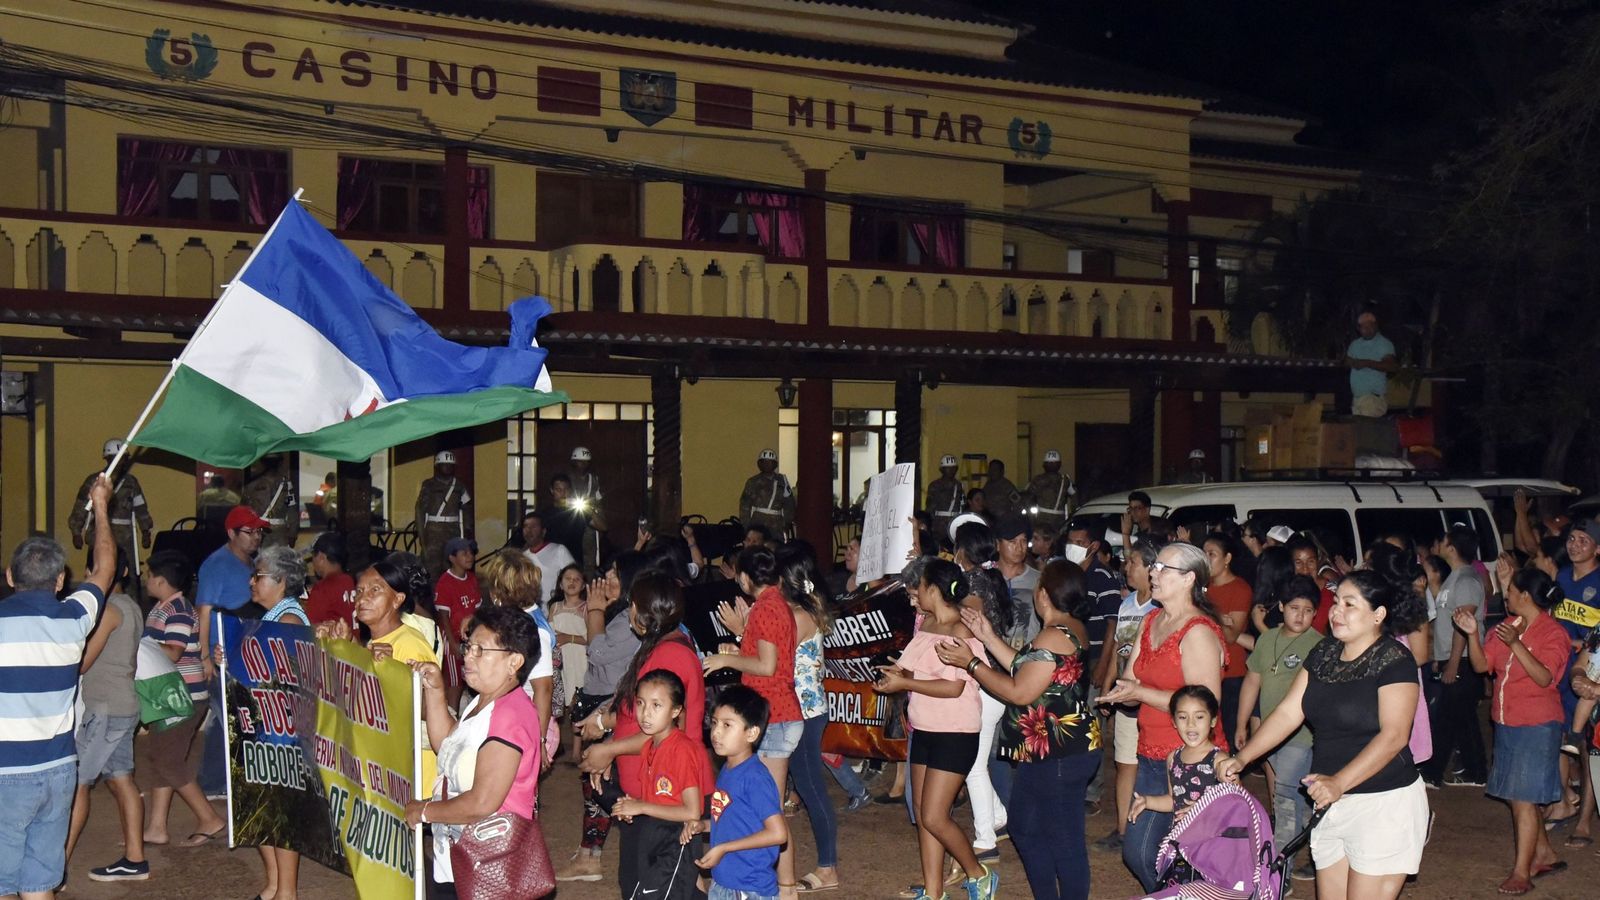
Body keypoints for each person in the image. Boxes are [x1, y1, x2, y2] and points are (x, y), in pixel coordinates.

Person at [1218, 571, 1429, 900]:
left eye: (1350, 604)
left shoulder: (1395, 661)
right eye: (1336, 602)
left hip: (1383, 803)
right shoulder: (1323, 653)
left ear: (1379, 614)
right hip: (1330, 798)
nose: (1336, 611)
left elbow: (1395, 736)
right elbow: (1289, 712)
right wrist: (1242, 758)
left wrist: (1340, 782)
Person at [938, 559, 1102, 900]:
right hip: (1052, 749)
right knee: (1024, 827)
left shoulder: (1053, 635)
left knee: (1064, 840)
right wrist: (987, 635)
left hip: (1058, 752)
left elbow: (1018, 690)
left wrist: (970, 663)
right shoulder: (1070, 627)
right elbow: (1024, 666)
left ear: (1043, 595)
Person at [0, 474, 114, 900]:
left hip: (5, 771)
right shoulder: (73, 619)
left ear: (10, 576)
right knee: (39, 885)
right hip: (57, 771)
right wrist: (101, 504)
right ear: (61, 580)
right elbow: (104, 568)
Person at [1098, 541, 1226, 892]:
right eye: (1153, 567)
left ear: (1188, 579)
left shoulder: (1198, 631)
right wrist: (1121, 691)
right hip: (1151, 751)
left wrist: (1138, 694)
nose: (1153, 573)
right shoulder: (1152, 618)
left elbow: (1205, 704)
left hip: (1191, 760)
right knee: (1139, 852)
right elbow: (1133, 677)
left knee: (1184, 855)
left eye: (1162, 568)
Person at [872, 558, 999, 900]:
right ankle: (933, 891)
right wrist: (893, 677)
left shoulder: (962, 632)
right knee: (924, 816)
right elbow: (911, 671)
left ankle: (978, 873)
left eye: (921, 587)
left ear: (933, 590)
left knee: (934, 816)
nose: (915, 595)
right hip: (924, 729)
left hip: (955, 732)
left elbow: (953, 687)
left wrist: (903, 684)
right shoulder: (927, 625)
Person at [580, 572, 713, 897]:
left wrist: (611, 750)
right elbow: (638, 718)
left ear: (643, 612)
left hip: (666, 790)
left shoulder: (671, 655)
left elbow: (669, 731)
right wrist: (615, 747)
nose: (629, 613)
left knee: (666, 884)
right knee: (644, 880)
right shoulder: (657, 648)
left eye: (632, 606)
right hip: (649, 785)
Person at [402, 603, 543, 899]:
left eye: (481, 649)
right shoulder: (484, 703)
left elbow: (483, 802)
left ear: (514, 661)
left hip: (489, 864)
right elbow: (451, 747)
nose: (468, 654)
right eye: (469, 646)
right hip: (463, 856)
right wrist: (436, 691)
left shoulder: (510, 716)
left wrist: (425, 811)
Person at [1456, 568, 1570, 895]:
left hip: (1537, 723)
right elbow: (1481, 667)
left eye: (1512, 591)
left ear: (1526, 597)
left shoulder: (1553, 634)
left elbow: (1544, 677)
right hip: (1506, 720)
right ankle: (1545, 852)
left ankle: (1523, 872)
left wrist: (1517, 645)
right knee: (1517, 794)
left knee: (1522, 797)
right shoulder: (1506, 628)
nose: (1506, 595)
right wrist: (1472, 635)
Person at [701, 546, 804, 896]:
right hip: (778, 711)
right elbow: (766, 656)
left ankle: (785, 886)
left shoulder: (764, 608)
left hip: (774, 714)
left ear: (744, 578)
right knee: (760, 805)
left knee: (769, 812)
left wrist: (723, 659)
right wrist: (739, 642)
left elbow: (765, 667)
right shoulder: (778, 605)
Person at [557, 555, 644, 883]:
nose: (605, 580)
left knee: (599, 782)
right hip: (604, 702)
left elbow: (597, 652)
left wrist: (594, 610)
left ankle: (589, 858)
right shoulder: (621, 614)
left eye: (614, 575)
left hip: (610, 707)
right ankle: (588, 855)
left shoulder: (627, 619)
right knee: (594, 783)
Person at [136, 551, 228, 851]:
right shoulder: (163, 608)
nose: (147, 580)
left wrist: (136, 645)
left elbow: (173, 651)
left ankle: (209, 818)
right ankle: (157, 827)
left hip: (182, 697)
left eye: (150, 576)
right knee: (161, 757)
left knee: (167, 760)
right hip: (170, 697)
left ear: (161, 581)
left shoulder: (175, 610)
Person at [65, 560, 148, 883]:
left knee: (78, 784)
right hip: (123, 704)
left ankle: (56, 866)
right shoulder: (131, 605)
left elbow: (82, 662)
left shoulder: (110, 610)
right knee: (121, 779)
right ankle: (135, 859)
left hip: (105, 709)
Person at [1237, 578, 1323, 877]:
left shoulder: (1318, 645)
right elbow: (1253, 680)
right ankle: (1317, 853)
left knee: (1287, 804)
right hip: (1267, 736)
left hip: (1300, 737)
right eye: (1295, 608)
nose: (1300, 616)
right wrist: (1243, 722)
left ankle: (1279, 876)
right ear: (1282, 607)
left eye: (1308, 610)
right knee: (1297, 801)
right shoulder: (1266, 638)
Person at [241, 545, 308, 900]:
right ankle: (273, 886)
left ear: (281, 581)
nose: (252, 582)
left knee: (279, 813)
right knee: (260, 810)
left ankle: (286, 892)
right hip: (268, 725)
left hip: (285, 732)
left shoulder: (290, 622)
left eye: (259, 576)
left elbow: (289, 680)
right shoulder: (274, 618)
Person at [606, 670, 708, 899]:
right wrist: (632, 806)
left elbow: (692, 811)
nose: (645, 713)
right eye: (641, 703)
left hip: (677, 837)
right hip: (654, 833)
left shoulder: (681, 750)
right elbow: (657, 798)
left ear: (675, 710)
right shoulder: (650, 746)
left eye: (656, 705)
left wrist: (641, 807)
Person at [1093, 538, 1162, 853]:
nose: (1126, 567)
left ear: (1151, 568)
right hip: (1125, 693)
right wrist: (1109, 687)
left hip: (1151, 696)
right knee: (1124, 764)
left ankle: (1150, 830)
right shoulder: (1127, 604)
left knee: (1152, 766)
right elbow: (1120, 650)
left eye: (1133, 562)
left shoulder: (1160, 608)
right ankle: (1123, 830)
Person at [196, 504, 269, 798]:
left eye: (259, 532)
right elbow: (204, 610)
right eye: (249, 532)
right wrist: (204, 656)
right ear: (231, 533)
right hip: (221, 653)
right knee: (226, 718)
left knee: (226, 718)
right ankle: (214, 783)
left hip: (242, 652)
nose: (256, 538)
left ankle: (217, 781)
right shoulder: (217, 565)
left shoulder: (250, 564)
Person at [698, 685, 790, 900]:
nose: (716, 732)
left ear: (752, 733)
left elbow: (778, 833)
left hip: (749, 889)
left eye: (727, 725)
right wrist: (704, 825)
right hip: (724, 882)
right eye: (714, 723)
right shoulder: (728, 770)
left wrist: (724, 848)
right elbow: (733, 822)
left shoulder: (755, 778)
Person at [1423, 525, 1488, 789]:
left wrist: (1452, 662)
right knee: (1464, 720)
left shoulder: (1467, 580)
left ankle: (1432, 773)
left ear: (1451, 547)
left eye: (1444, 540)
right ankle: (1476, 773)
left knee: (1446, 720)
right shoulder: (1455, 578)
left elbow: (1465, 623)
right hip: (1454, 658)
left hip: (1462, 660)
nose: (1438, 544)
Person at [67, 439, 152, 600]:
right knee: (97, 571)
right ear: (107, 459)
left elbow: (140, 507)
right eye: (115, 458)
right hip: (98, 533)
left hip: (125, 538)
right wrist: (76, 531)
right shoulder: (94, 481)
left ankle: (130, 607)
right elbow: (80, 506)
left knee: (129, 576)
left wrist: (145, 530)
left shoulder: (131, 483)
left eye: (122, 458)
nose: (120, 462)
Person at [1127, 686, 1223, 825]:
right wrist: (1147, 801)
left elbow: (1238, 804)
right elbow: (1174, 801)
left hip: (1213, 839)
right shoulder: (1173, 758)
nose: (1191, 724)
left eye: (1199, 717)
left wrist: (1204, 810)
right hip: (1182, 837)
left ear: (1213, 720)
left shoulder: (1220, 760)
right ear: (1174, 722)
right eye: (1183, 717)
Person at [1203, 532, 1255, 749]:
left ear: (1227, 559)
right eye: (1203, 554)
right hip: (1205, 667)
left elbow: (1231, 635)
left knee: (1230, 732)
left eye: (1211, 554)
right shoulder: (1202, 587)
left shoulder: (1240, 588)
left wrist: (1208, 615)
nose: (1206, 559)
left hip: (1232, 672)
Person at [415, 450, 473, 578]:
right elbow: (419, 510)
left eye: (450, 465)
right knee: (431, 567)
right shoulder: (429, 485)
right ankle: (433, 595)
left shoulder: (459, 486)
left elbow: (466, 507)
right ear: (437, 466)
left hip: (453, 532)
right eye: (444, 464)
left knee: (453, 567)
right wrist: (422, 536)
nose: (448, 467)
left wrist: (468, 529)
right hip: (433, 532)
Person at [551, 563, 590, 711]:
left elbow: (592, 639)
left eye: (576, 579)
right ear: (561, 584)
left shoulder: (587, 607)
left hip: (579, 660)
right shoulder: (554, 607)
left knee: (579, 705)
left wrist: (569, 638)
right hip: (561, 659)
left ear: (583, 585)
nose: (572, 582)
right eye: (568, 578)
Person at [1345, 307, 1397, 417]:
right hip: (1357, 398)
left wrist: (1367, 363)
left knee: (1366, 431)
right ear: (1359, 328)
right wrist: (1351, 362)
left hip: (1372, 398)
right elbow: (1348, 361)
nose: (1367, 330)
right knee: (1359, 432)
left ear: (1376, 326)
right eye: (1364, 327)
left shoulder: (1384, 344)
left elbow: (1391, 366)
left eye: (1370, 326)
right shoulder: (1355, 344)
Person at [521, 509, 576, 612]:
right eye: (526, 527)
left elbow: (574, 579)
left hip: (555, 613)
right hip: (531, 613)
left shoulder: (559, 550)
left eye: (533, 527)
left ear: (543, 531)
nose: (529, 530)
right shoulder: (523, 557)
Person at [240, 455, 299, 548]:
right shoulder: (253, 485)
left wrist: (292, 533)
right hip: (264, 533)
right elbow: (244, 512)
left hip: (272, 534)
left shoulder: (285, 485)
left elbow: (292, 511)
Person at [566, 446, 608, 571]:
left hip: (589, 524)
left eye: (586, 462)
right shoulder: (567, 479)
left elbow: (598, 501)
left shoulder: (593, 479)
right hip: (571, 522)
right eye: (579, 461)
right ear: (573, 462)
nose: (583, 465)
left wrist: (600, 520)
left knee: (589, 560)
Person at [303, 532, 356, 628]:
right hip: (354, 641)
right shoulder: (349, 580)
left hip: (335, 642)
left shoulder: (323, 588)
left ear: (321, 557)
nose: (313, 562)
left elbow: (308, 627)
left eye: (313, 556)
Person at [433, 537, 482, 641]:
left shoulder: (472, 578)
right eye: (464, 553)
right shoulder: (444, 583)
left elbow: (477, 610)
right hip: (453, 639)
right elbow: (444, 620)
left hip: (470, 635)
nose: (470, 557)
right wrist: (453, 646)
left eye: (471, 553)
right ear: (452, 558)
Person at [741, 449, 796, 539]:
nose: (767, 464)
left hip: (776, 524)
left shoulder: (782, 481)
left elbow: (789, 503)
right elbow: (745, 505)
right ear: (759, 464)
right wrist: (747, 526)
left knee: (776, 548)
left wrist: (787, 522)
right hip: (757, 523)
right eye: (764, 462)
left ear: (775, 464)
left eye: (770, 462)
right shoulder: (753, 482)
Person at [1023, 449, 1075, 534]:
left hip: (1042, 518)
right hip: (1059, 520)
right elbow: (1074, 495)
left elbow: (1027, 497)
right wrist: (1072, 514)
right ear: (1059, 465)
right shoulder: (1065, 480)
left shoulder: (1038, 480)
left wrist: (1030, 518)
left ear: (1044, 465)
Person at [926, 455, 965, 539]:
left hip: (955, 522)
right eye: (948, 468)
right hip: (939, 524)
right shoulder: (935, 485)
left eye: (953, 468)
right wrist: (930, 524)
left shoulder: (959, 485)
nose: (951, 471)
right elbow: (930, 507)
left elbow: (961, 504)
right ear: (942, 470)